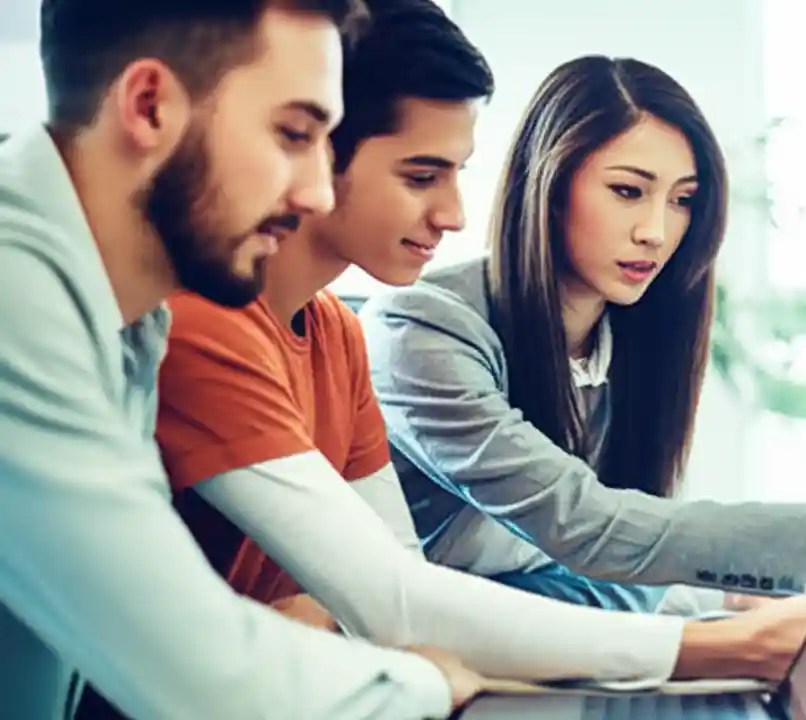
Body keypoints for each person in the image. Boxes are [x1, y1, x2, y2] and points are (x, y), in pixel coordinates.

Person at [146, 1, 806, 709]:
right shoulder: (230, 322)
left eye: (682, 200)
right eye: (421, 176)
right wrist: (717, 644)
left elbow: (397, 598)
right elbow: (403, 599)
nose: (455, 215)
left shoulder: (335, 333)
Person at [360, 54, 806, 614]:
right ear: (550, 188)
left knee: (638, 598)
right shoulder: (422, 324)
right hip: (431, 632)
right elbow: (582, 525)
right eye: (627, 191)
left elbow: (616, 557)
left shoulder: (631, 335)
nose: (657, 231)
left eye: (682, 199)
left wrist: (733, 596)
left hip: (544, 609)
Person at [0, 1, 481, 718]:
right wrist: (433, 682)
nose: (318, 191)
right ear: (150, 105)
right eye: (293, 134)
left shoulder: (133, 320)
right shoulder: (17, 289)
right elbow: (203, 677)